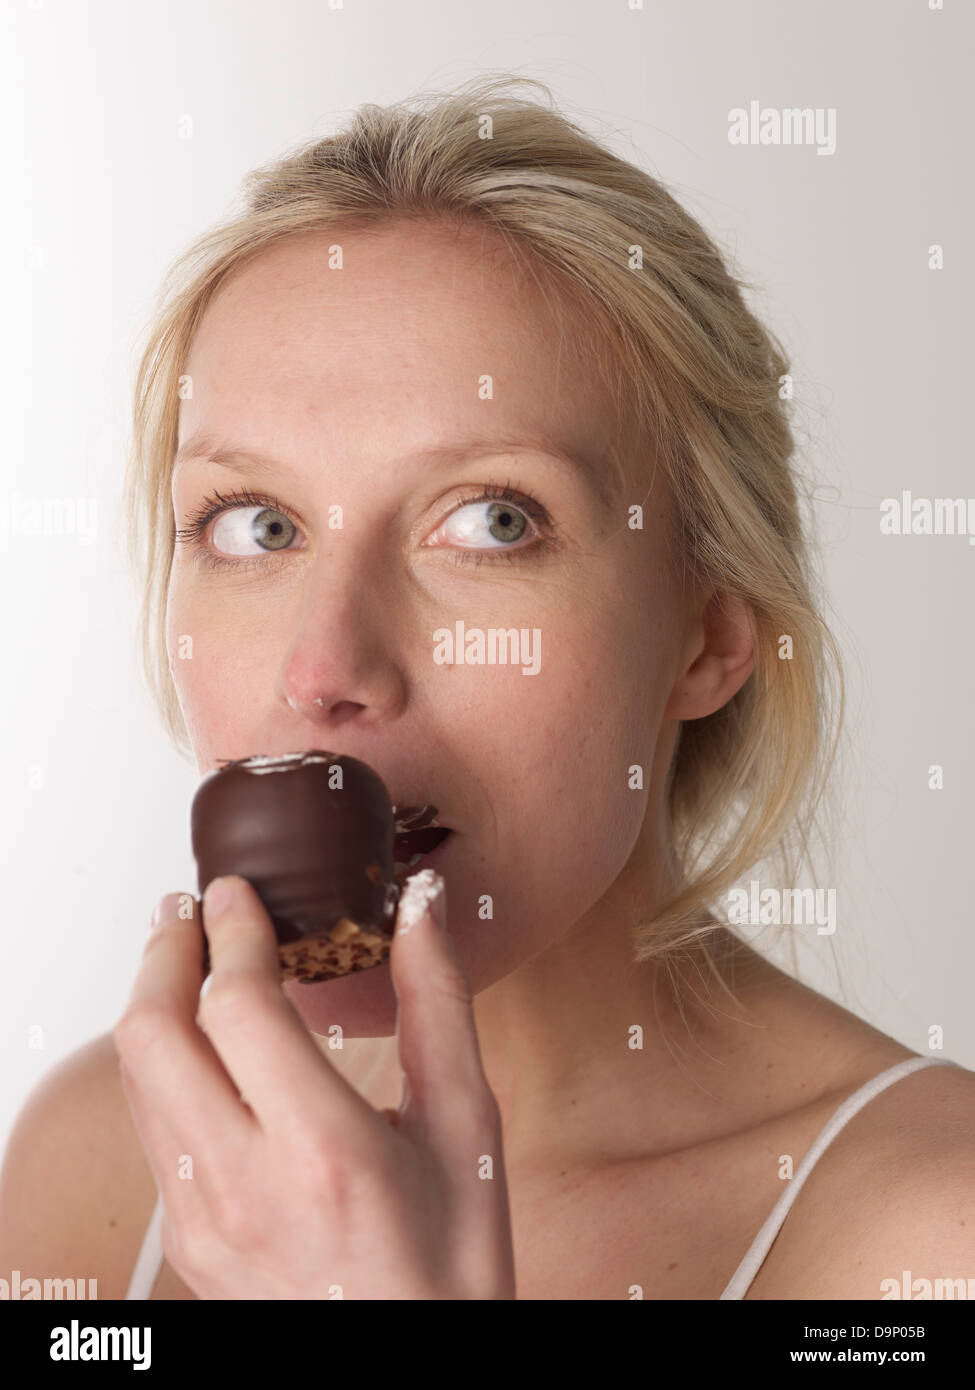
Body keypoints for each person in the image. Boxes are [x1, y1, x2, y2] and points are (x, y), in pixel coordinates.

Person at [2, 75, 972, 1300]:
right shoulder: (104, 1162)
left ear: (709, 637)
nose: (326, 670)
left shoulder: (928, 1244)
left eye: (493, 519)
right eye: (256, 524)